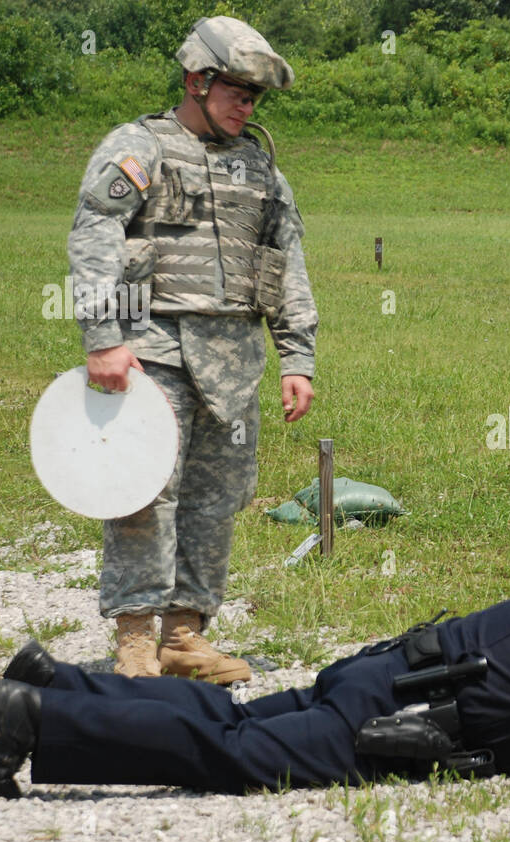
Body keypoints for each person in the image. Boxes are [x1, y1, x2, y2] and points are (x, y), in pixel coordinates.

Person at [0, 509, 510, 799]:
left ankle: (53, 683)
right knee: (227, 754)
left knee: (230, 715)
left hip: (383, 678)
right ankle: (37, 722)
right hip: (397, 716)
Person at [67, 16, 317, 684]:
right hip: (153, 351)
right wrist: (105, 339)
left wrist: (297, 357)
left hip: (234, 365)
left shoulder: (261, 169)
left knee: (215, 499)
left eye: (253, 96)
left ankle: (185, 636)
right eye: (236, 90)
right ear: (195, 80)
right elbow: (96, 236)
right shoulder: (139, 146)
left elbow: (285, 261)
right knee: (145, 493)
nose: (247, 105)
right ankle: (133, 641)